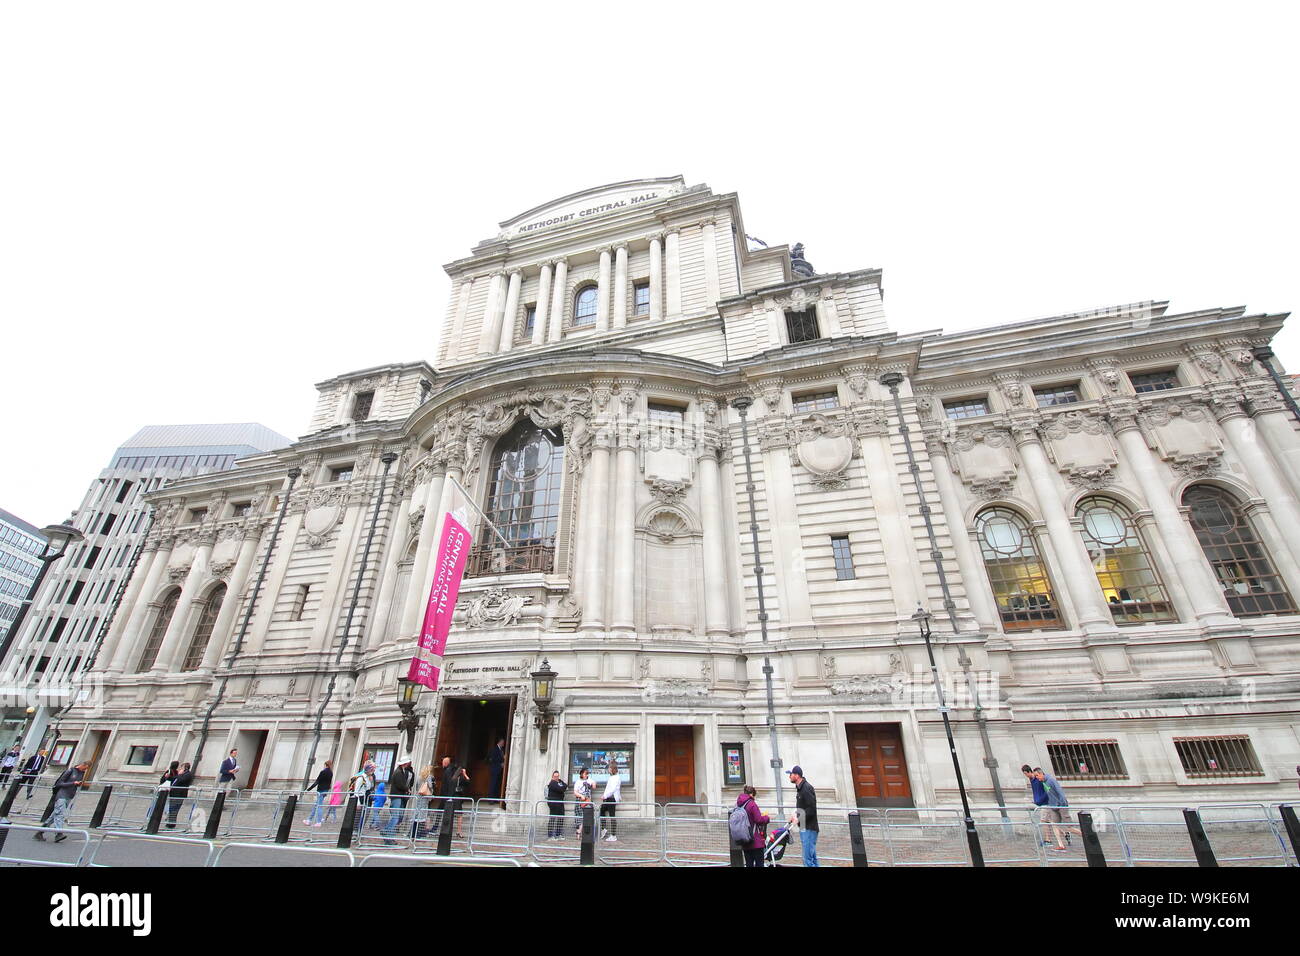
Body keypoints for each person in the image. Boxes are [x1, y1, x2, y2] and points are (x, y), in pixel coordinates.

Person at [34, 760, 89, 842]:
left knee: (55, 815)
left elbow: (75, 784)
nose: (85, 770)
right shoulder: (70, 771)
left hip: (69, 796)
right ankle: (58, 834)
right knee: (60, 814)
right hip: (61, 795)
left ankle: (40, 832)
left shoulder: (82, 773)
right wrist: (73, 783)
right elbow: (60, 783)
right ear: (82, 764)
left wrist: (79, 784)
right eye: (85, 767)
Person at [1022, 764, 1072, 850]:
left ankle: (1048, 840)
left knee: (1044, 821)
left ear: (1028, 772)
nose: (1025, 775)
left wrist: (1041, 800)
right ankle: (1065, 833)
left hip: (1046, 803)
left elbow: (1047, 790)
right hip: (1041, 803)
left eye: (1025, 773)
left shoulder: (1039, 779)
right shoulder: (1032, 779)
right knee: (1051, 821)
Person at [785, 765, 819, 867]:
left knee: (807, 860)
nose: (789, 777)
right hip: (805, 827)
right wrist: (795, 815)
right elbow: (803, 807)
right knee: (812, 858)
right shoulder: (800, 788)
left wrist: (798, 818)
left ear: (797, 775)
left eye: (790, 774)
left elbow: (811, 809)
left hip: (809, 828)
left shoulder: (806, 788)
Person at [736, 784, 770, 867]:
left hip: (744, 839)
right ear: (751, 794)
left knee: (749, 863)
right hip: (755, 840)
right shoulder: (752, 804)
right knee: (759, 864)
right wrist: (766, 818)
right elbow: (758, 819)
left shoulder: (739, 804)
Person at [384, 756, 414, 843]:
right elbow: (400, 785)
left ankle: (386, 832)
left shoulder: (402, 771)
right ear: (404, 763)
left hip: (398, 797)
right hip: (396, 797)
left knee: (396, 817)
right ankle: (388, 835)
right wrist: (407, 789)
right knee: (395, 817)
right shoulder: (398, 773)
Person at [304, 759, 333, 827]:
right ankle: (309, 820)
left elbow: (317, 782)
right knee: (315, 806)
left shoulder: (323, 772)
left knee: (319, 806)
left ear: (325, 765)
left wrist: (308, 789)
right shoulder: (331, 773)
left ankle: (318, 822)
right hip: (325, 790)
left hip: (321, 790)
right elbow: (329, 783)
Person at [168, 762, 194, 829]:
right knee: (171, 808)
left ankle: (171, 823)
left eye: (182, 767)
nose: (180, 769)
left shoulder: (188, 774)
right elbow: (174, 778)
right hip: (174, 793)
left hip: (179, 794)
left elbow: (181, 780)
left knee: (174, 808)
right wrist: (168, 777)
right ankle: (170, 822)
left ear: (185, 768)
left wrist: (179, 774)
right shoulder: (182, 774)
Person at [599, 762, 621, 843]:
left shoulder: (616, 777)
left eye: (609, 768)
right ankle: (604, 828)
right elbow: (608, 788)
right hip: (608, 798)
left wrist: (605, 796)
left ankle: (613, 835)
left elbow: (613, 789)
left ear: (612, 769)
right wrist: (604, 795)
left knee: (612, 816)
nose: (608, 770)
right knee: (602, 810)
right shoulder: (612, 777)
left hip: (611, 799)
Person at [545, 770, 567, 841]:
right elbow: (561, 789)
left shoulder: (559, 782)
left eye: (557, 776)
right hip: (553, 802)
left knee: (561, 818)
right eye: (555, 776)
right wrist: (562, 787)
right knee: (553, 818)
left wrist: (561, 784)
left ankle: (558, 834)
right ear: (552, 776)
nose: (556, 777)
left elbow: (565, 785)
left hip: (560, 802)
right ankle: (550, 835)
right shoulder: (552, 783)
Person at [573, 767, 593, 838]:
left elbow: (594, 785)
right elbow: (575, 792)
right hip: (580, 799)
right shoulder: (578, 781)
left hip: (587, 800)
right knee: (579, 816)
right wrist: (581, 796)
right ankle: (578, 832)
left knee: (586, 816)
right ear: (581, 774)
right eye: (585, 773)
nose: (586, 775)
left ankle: (580, 832)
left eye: (587, 773)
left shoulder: (589, 780)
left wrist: (593, 784)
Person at [487, 737, 506, 802]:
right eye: (503, 742)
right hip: (495, 769)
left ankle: (495, 799)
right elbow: (492, 759)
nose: (503, 744)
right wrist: (500, 764)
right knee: (493, 784)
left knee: (497, 784)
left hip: (499, 770)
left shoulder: (501, 750)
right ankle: (490, 799)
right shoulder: (494, 749)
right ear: (499, 742)